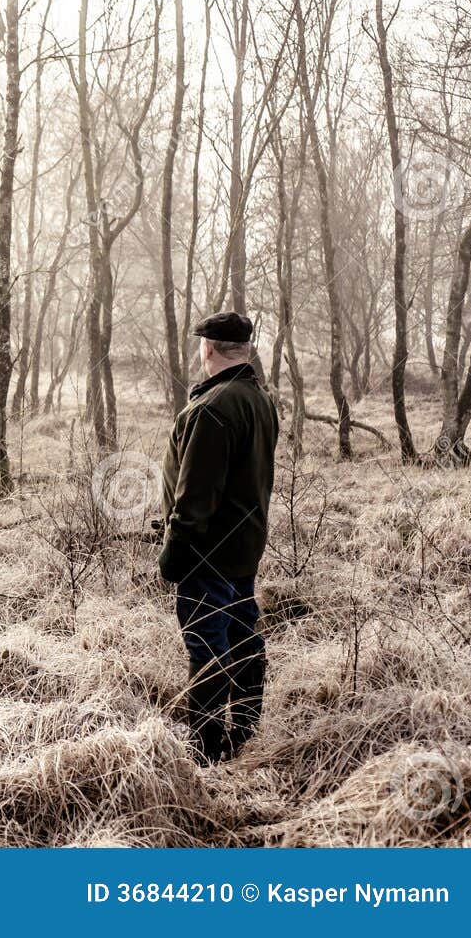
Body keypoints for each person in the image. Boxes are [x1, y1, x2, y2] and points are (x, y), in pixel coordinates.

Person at [159, 312, 279, 764]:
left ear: (208, 348)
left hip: (206, 554)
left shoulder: (212, 409)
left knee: (207, 647)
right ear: (244, 350)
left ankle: (206, 752)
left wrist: (174, 555)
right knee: (243, 634)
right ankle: (245, 732)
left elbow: (195, 500)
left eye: (200, 345)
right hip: (244, 549)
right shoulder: (260, 399)